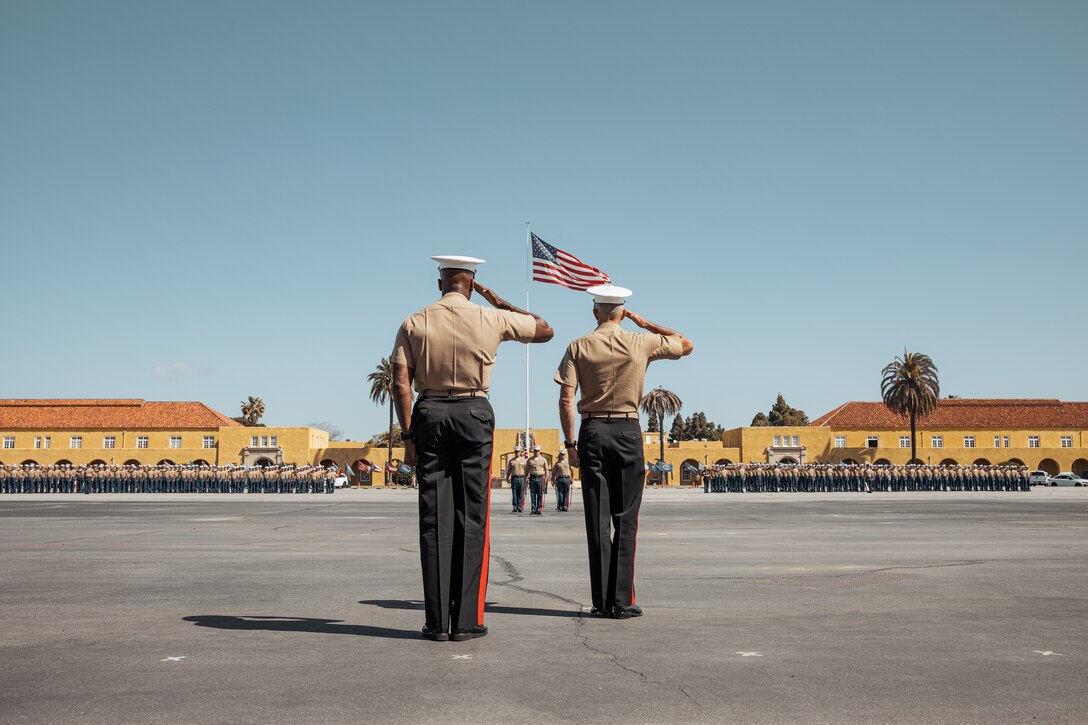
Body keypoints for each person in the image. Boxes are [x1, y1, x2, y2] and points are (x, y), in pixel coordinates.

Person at [392, 255, 553, 642]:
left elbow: (400, 383)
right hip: (474, 411)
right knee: (473, 514)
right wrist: (498, 301)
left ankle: (435, 624)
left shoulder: (414, 321)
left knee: (433, 517)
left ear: (440, 284)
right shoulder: (490, 317)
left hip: (429, 411)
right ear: (472, 284)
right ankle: (465, 621)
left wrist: (409, 438)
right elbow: (545, 329)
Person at [555, 284, 693, 619]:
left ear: (595, 311)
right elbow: (685, 344)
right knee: (626, 518)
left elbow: (565, 400)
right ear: (623, 311)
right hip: (630, 431)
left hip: (592, 430)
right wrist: (645, 324)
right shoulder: (641, 341)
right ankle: (621, 601)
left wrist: (571, 444)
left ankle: (601, 603)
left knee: (597, 520)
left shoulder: (578, 345)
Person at [527, 445, 549, 515]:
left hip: (540, 477)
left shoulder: (543, 459)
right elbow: (526, 470)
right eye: (535, 451)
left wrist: (546, 477)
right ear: (533, 451)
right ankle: (533, 509)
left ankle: (539, 509)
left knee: (540, 494)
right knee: (532, 494)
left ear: (540, 451)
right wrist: (525, 478)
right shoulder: (530, 460)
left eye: (538, 451)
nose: (536, 452)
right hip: (532, 477)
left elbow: (546, 469)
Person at [506, 446, 527, 513]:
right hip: (514, 478)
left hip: (521, 478)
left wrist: (527, 477)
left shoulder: (524, 460)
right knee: (514, 493)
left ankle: (519, 507)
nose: (517, 453)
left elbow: (526, 470)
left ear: (520, 452)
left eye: (518, 451)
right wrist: (507, 478)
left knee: (520, 493)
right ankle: (515, 507)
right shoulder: (511, 461)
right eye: (516, 451)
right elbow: (509, 470)